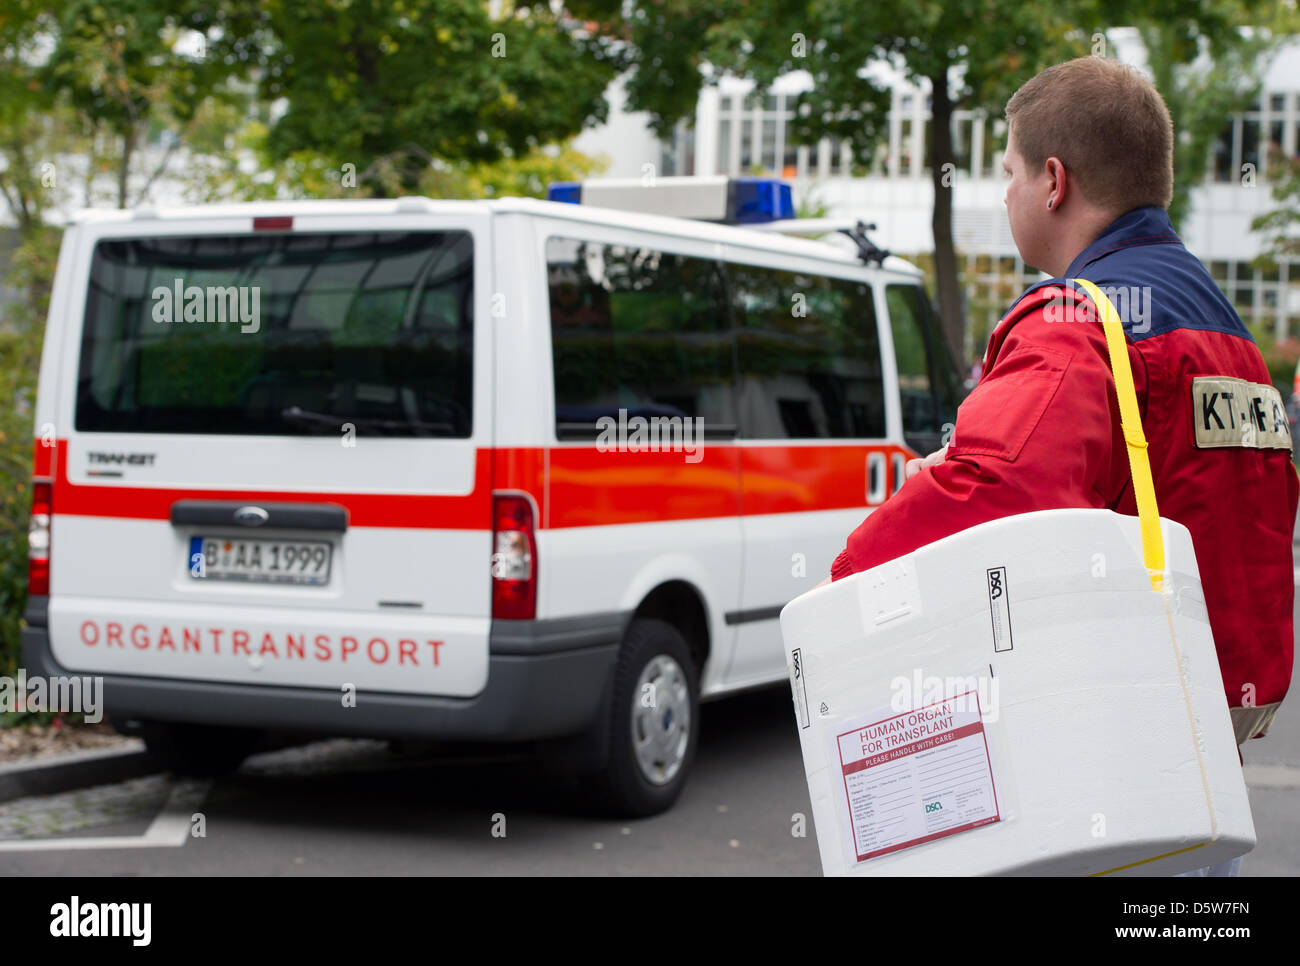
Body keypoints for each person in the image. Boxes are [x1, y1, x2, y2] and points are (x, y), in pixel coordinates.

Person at [829, 56, 1299, 874]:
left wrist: (839, 597)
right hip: (1205, 763)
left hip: (1100, 779)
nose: (1003, 193)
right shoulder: (1230, 333)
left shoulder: (1080, 319)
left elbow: (994, 489)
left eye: (1006, 171)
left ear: (1054, 181)